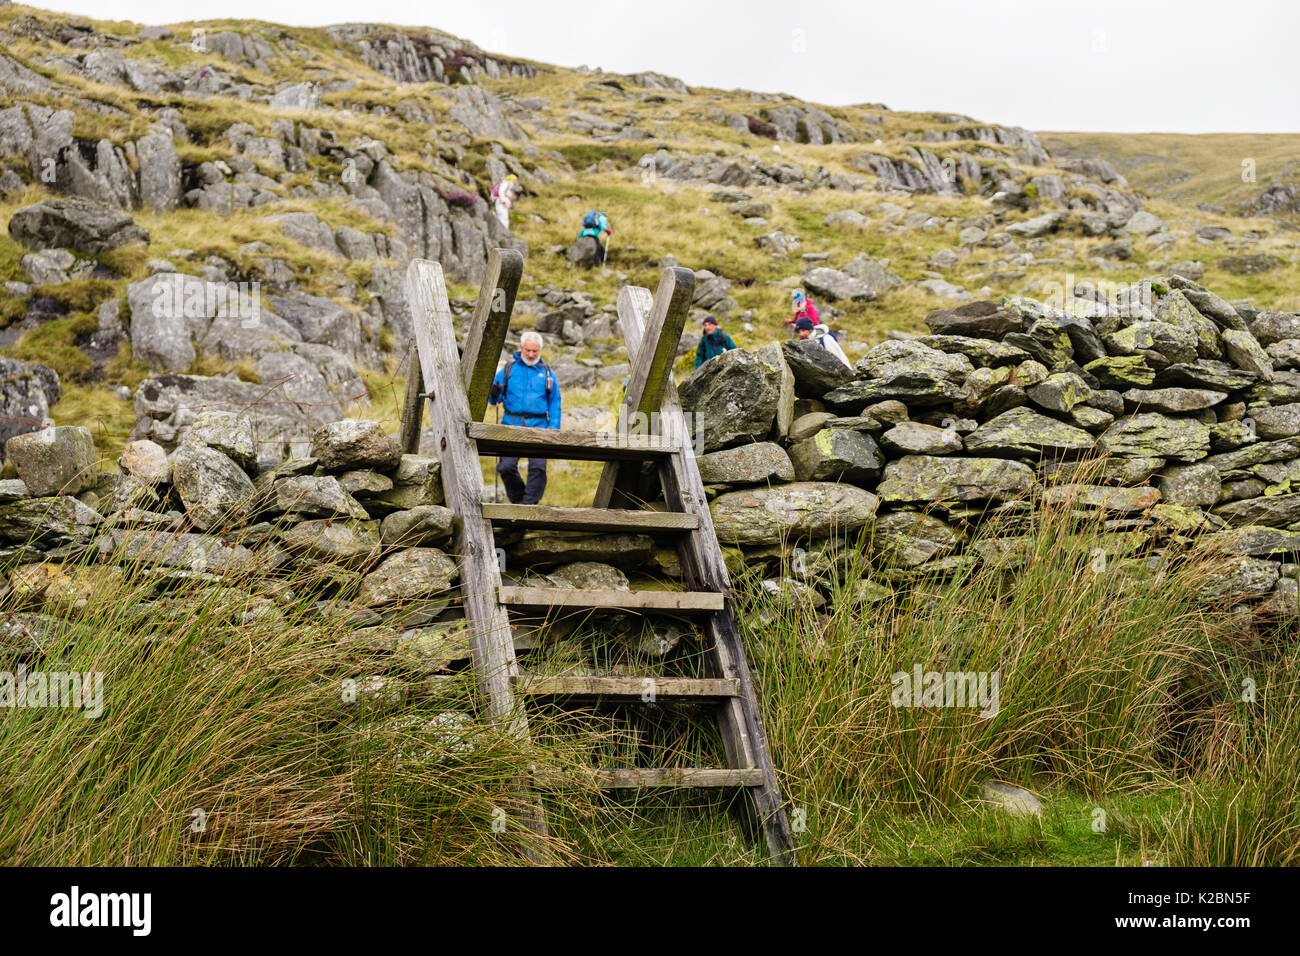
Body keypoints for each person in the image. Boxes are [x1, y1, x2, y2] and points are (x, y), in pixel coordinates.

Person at [488, 330, 562, 505]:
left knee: (538, 468)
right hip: (511, 424)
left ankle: (527, 508)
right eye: (527, 350)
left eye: (534, 351)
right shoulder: (508, 369)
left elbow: (555, 402)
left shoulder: (548, 374)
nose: (530, 354)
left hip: (539, 426)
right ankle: (523, 504)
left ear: (540, 350)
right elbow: (493, 400)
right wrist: (493, 393)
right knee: (506, 467)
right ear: (521, 348)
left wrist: (554, 428)